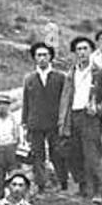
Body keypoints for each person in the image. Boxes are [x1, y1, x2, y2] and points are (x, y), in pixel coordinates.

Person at [57, 35, 102, 200]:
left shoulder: (99, 72)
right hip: (72, 117)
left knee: (91, 156)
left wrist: (98, 108)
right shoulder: (71, 73)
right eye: (78, 50)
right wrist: (62, 121)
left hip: (89, 117)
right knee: (74, 155)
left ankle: (96, 192)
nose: (82, 52)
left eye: (85, 49)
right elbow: (65, 98)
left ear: (91, 51)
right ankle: (82, 188)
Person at [22, 41, 67, 191]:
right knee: (37, 155)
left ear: (50, 57)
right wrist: (24, 122)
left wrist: (64, 121)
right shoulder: (29, 79)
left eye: (45, 55)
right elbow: (26, 102)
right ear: (34, 58)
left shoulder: (60, 77)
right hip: (35, 123)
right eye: (38, 55)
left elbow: (65, 100)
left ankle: (63, 182)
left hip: (54, 123)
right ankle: (41, 185)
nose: (42, 58)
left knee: (58, 153)